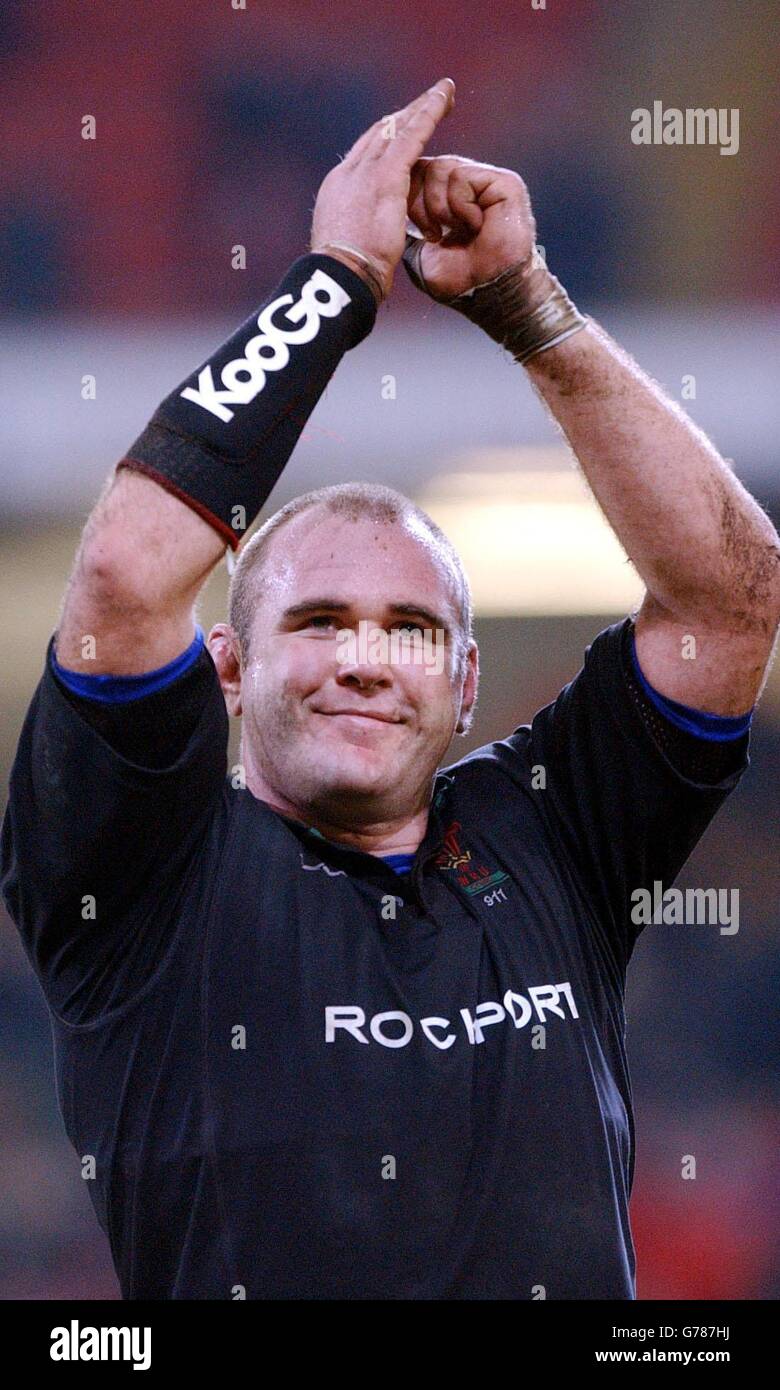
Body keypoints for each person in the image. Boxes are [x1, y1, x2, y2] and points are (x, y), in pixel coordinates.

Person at [2, 78, 778, 1300]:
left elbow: (730, 598)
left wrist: (530, 307)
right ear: (231, 666)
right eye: (317, 620)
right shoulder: (142, 869)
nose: (366, 656)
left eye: (410, 628)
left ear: (466, 682)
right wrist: (336, 286)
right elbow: (121, 578)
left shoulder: (551, 836)